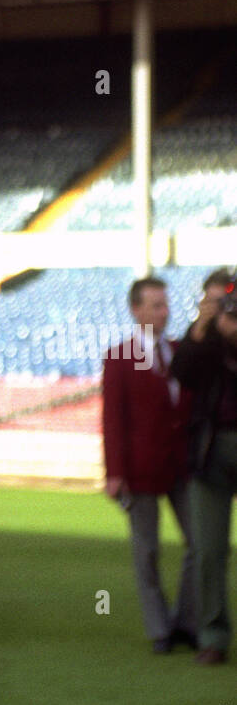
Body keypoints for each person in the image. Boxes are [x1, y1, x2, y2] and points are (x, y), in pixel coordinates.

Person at [102, 276, 195, 653]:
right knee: (147, 552)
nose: (164, 311)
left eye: (165, 304)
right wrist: (115, 473)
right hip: (140, 469)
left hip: (184, 466)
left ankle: (187, 622)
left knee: (200, 545)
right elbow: (113, 420)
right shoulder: (119, 358)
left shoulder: (180, 351)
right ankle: (160, 630)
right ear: (136, 310)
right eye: (156, 305)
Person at [171, 269, 237, 665]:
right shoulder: (201, 337)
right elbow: (182, 375)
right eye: (216, 300)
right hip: (209, 453)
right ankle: (212, 635)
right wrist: (202, 328)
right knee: (209, 550)